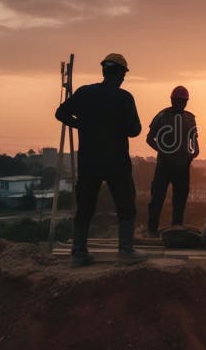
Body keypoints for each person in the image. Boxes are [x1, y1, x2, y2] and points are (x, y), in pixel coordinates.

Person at [55, 53, 147, 267]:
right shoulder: (124, 98)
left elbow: (61, 113)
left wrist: (83, 125)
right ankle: (125, 250)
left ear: (104, 71)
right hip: (117, 163)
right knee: (126, 206)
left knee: (85, 207)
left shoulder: (85, 93)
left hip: (90, 161)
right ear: (121, 75)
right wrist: (117, 126)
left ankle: (78, 253)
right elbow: (135, 130)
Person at [145, 85, 199, 237]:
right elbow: (150, 139)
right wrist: (162, 150)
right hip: (164, 165)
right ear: (172, 100)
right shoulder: (162, 116)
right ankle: (152, 230)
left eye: (183, 101)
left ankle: (177, 228)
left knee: (180, 199)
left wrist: (193, 153)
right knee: (157, 198)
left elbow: (194, 142)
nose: (181, 104)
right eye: (178, 101)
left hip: (182, 166)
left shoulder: (190, 118)